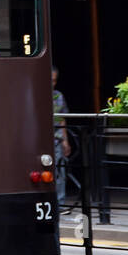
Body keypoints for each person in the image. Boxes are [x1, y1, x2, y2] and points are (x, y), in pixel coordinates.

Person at [53, 67, 71, 209]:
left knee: (60, 170)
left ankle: (60, 203)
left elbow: (62, 119)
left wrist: (65, 141)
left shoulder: (58, 95)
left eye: (54, 81)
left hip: (57, 138)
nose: (52, 84)